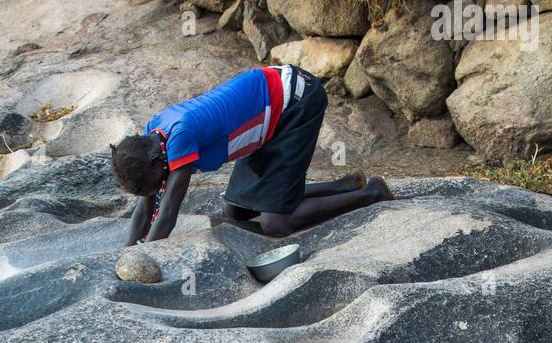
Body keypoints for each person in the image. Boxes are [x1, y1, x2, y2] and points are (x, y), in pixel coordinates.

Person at [112, 64, 392, 245]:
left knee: (275, 223)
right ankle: (344, 185)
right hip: (264, 118)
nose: (159, 187)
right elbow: (147, 206)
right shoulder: (153, 136)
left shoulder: (180, 136)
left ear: (154, 162)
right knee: (238, 210)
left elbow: (168, 212)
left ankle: (371, 193)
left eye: (158, 181)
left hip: (294, 102)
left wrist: (148, 254)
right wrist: (126, 251)